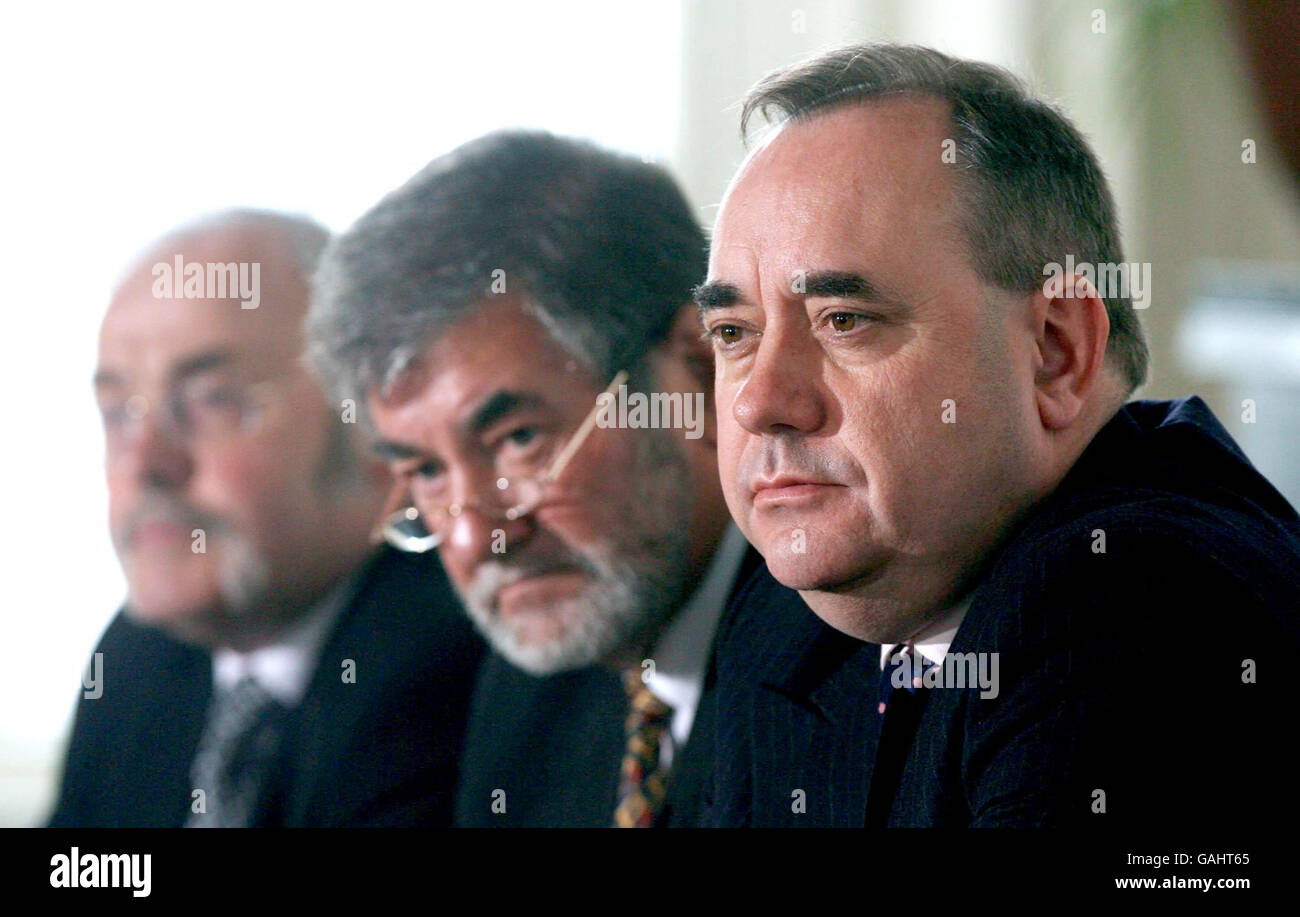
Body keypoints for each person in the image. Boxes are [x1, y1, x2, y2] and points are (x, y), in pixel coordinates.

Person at [698, 43, 1300, 827]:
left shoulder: (1135, 602)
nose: (759, 402)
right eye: (734, 332)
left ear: (1055, 351)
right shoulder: (795, 612)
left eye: (844, 320)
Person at [308, 130, 759, 827]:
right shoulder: (525, 696)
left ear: (697, 378)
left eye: (518, 440)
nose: (474, 535)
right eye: (425, 471)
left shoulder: (869, 650)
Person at [48, 209, 484, 828]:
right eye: (118, 412)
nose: (144, 461)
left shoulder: (451, 660)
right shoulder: (138, 656)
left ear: (371, 425)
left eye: (209, 400)